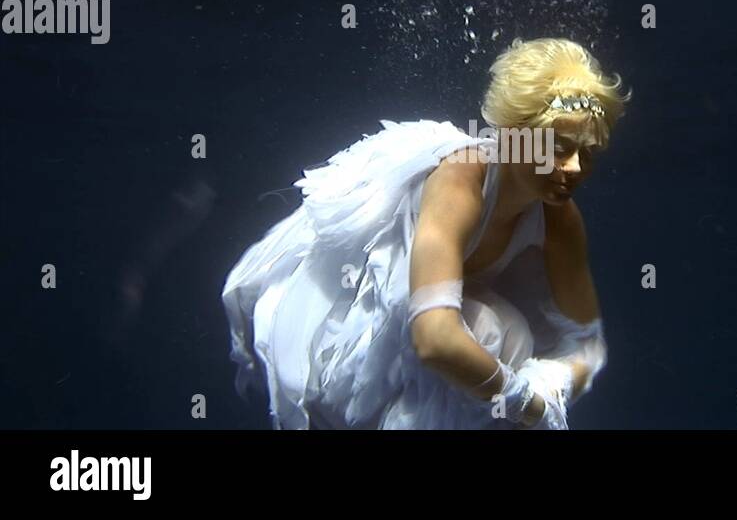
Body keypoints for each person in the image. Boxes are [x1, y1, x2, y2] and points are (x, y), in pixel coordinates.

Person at [221, 37, 631, 429]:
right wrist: (524, 400)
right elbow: (434, 337)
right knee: (493, 330)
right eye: (559, 147)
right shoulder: (460, 180)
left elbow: (585, 346)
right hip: (356, 334)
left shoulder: (560, 218)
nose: (576, 167)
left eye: (588, 152)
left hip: (433, 342)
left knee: (502, 335)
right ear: (515, 135)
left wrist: (550, 387)